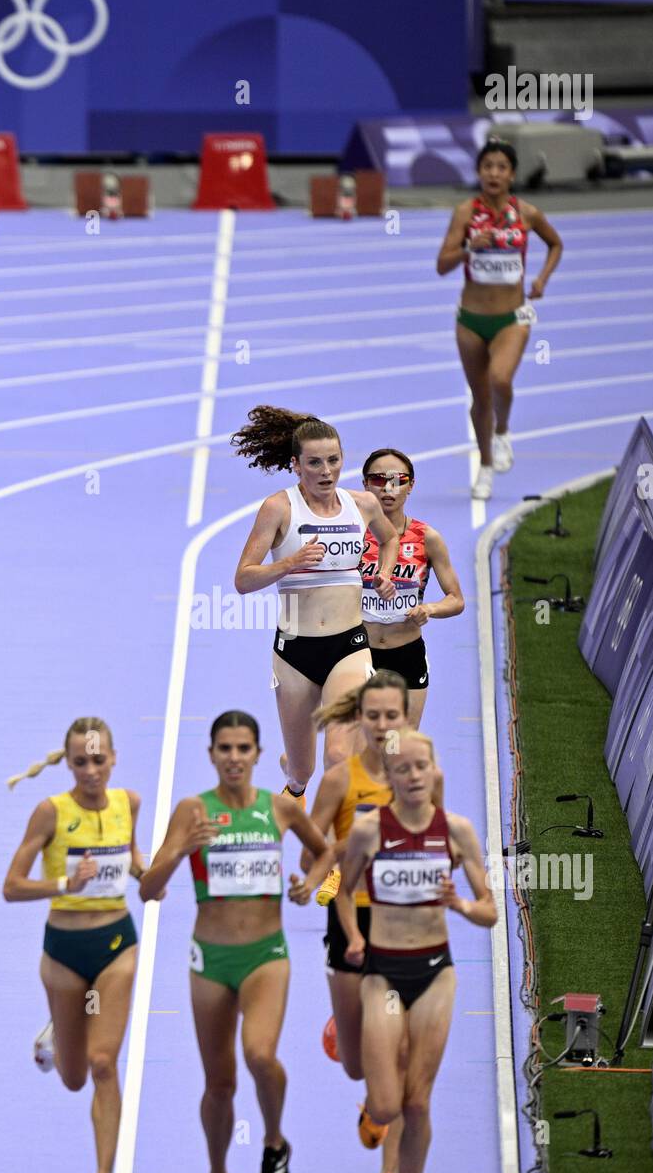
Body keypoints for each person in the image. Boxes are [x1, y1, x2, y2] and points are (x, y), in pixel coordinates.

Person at [139, 710, 334, 1173]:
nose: (233, 758)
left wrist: (308, 883)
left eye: (243, 748)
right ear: (211, 755)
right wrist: (180, 848)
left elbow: (326, 852)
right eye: (224, 749)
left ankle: (274, 1141)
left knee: (260, 1055)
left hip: (265, 955)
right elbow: (148, 890)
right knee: (219, 1084)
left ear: (256, 754)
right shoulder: (191, 811)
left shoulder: (279, 809)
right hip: (210, 960)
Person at [336, 728, 496, 1173]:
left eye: (419, 767)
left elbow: (490, 911)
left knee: (418, 1101)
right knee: (387, 1101)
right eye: (400, 768)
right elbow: (342, 887)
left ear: (434, 771)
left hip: (435, 973)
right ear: (390, 776)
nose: (411, 776)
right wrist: (356, 935)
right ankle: (371, 1114)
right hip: (382, 971)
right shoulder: (368, 829)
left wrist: (461, 906)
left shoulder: (457, 832)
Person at [302, 671, 445, 1173]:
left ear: (408, 718)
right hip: (349, 927)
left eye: (394, 716)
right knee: (360, 1066)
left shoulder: (425, 779)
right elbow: (314, 860)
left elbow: (437, 848)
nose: (385, 725)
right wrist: (331, 875)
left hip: (405, 930)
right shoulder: (339, 781)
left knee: (405, 1062)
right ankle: (351, 1046)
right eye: (374, 715)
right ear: (358, 718)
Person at [2, 717, 145, 1173]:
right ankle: (59, 1038)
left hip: (116, 944)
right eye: (81, 762)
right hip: (63, 951)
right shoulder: (49, 813)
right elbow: (12, 886)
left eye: (98, 760)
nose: (91, 771)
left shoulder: (129, 803)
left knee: (105, 1063)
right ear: (68, 763)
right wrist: (64, 882)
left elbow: (130, 859)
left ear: (113, 758)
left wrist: (149, 870)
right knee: (73, 1078)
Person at [232, 405, 398, 803]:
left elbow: (390, 538)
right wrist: (289, 563)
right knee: (303, 770)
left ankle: (331, 859)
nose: (326, 471)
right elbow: (243, 579)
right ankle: (294, 775)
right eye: (315, 462)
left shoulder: (363, 505)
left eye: (334, 461)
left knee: (339, 755)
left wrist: (384, 573)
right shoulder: (279, 508)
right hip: (295, 652)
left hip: (349, 646)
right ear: (296, 465)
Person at [436, 138, 563, 501]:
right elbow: (441, 265)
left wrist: (541, 279)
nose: (493, 173)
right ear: (478, 172)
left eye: (501, 167)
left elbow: (556, 244)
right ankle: (486, 467)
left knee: (500, 380)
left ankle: (503, 431)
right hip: (471, 320)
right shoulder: (464, 213)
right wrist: (468, 249)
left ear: (512, 174)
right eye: (487, 166)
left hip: (513, 316)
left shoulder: (527, 213)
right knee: (479, 398)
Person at [359, 446, 464, 727]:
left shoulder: (427, 538)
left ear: (411, 485)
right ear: (365, 485)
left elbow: (456, 599)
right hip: (357, 653)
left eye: (398, 480)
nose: (388, 488)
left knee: (397, 747)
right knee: (355, 747)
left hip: (405, 654)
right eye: (378, 480)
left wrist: (428, 609)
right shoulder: (353, 535)